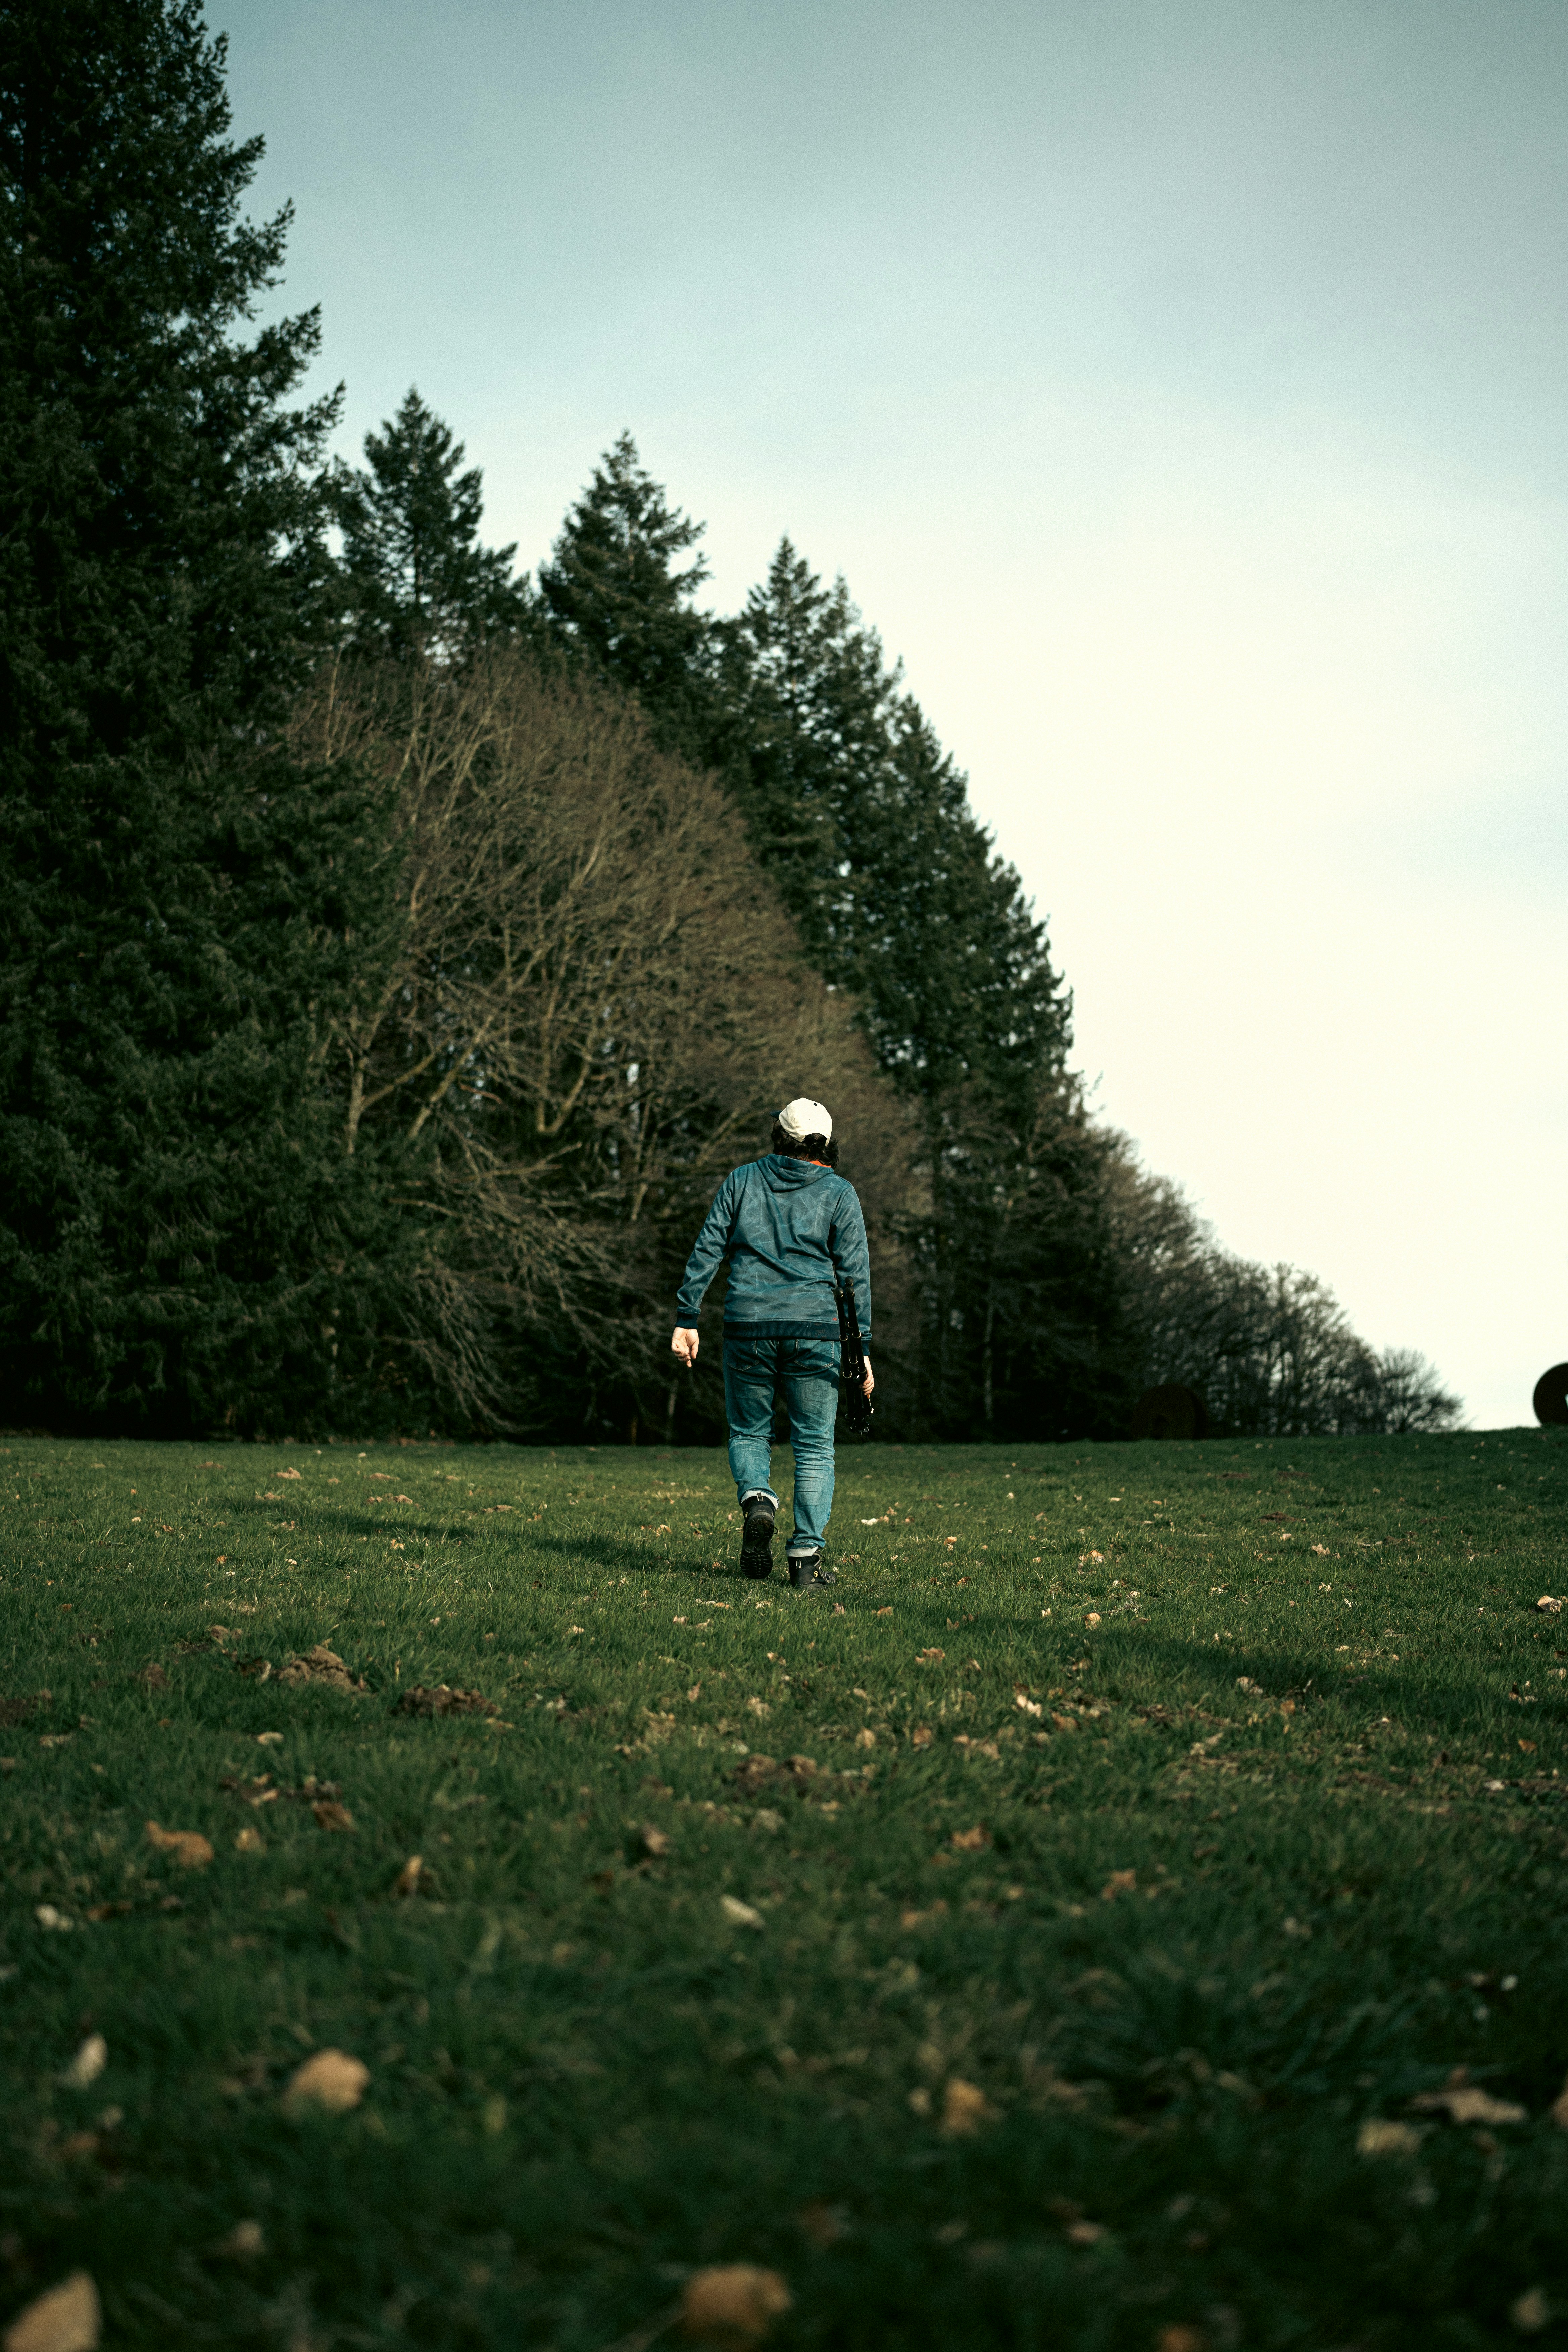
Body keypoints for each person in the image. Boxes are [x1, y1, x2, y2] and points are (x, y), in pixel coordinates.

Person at [671, 1097, 874, 1594]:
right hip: (816, 1330)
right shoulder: (841, 1194)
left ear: (779, 1137)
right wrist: (861, 1348)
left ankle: (759, 1500)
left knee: (748, 1432)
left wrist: (687, 1317)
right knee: (814, 1448)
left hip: (748, 1325)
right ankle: (805, 1562)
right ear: (826, 1145)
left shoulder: (741, 1180)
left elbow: (709, 1247)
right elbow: (855, 1276)